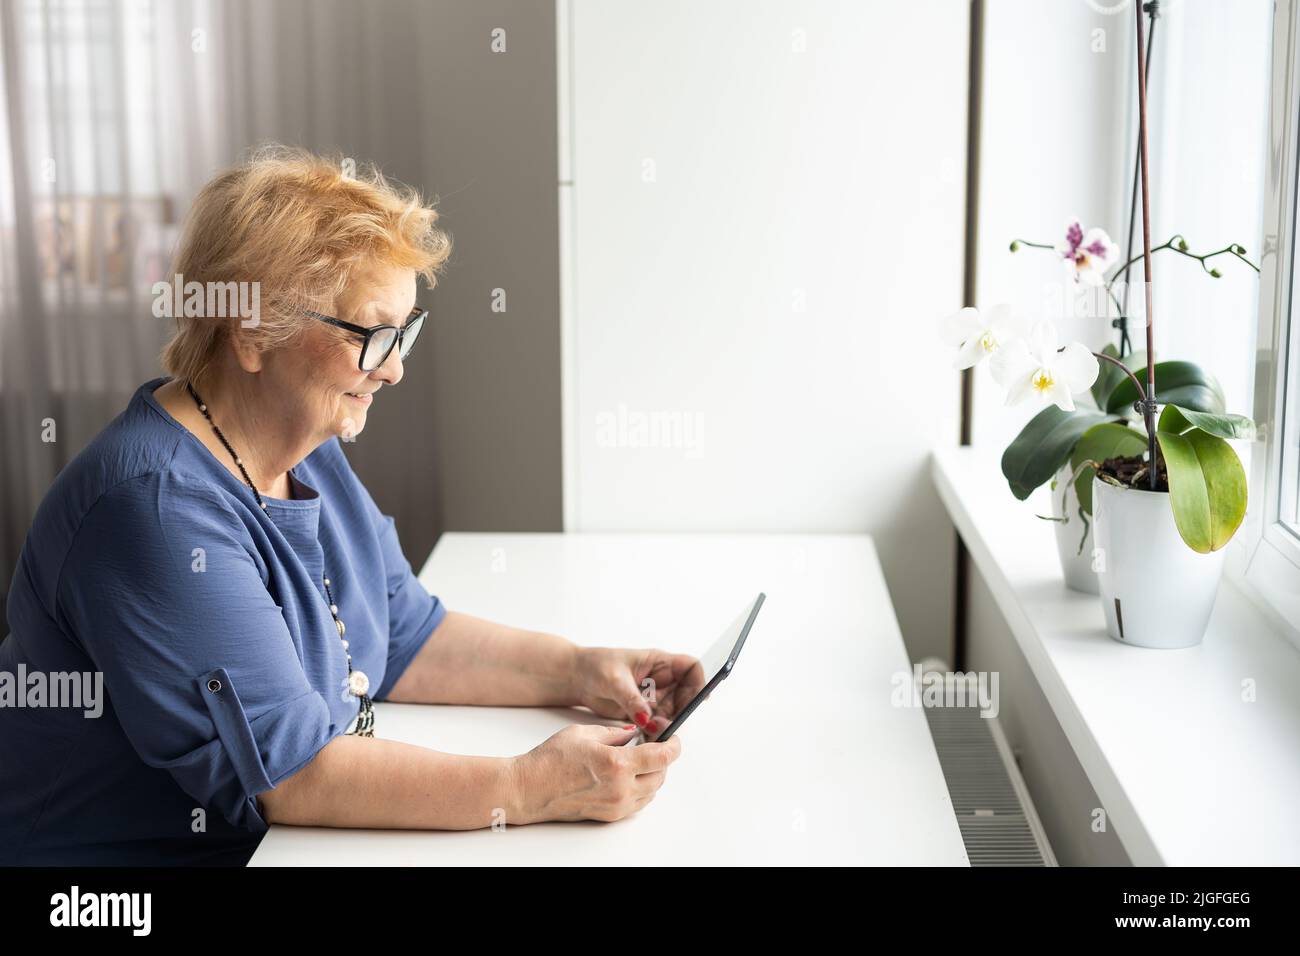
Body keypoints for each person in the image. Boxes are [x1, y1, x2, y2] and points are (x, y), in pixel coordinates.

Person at [0, 146, 693, 865]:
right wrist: (528, 789)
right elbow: (294, 775)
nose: (393, 368)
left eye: (405, 331)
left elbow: (397, 634)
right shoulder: (152, 510)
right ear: (251, 332)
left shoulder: (304, 441)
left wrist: (583, 671)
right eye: (370, 336)